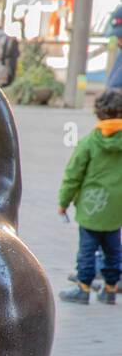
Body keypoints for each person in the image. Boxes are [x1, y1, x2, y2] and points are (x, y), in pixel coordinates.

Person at [57, 88, 122, 305]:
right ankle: (110, 289)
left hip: (90, 208)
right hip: (116, 210)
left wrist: (63, 202)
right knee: (113, 250)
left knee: (87, 250)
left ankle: (83, 288)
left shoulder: (89, 142)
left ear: (99, 114)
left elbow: (73, 175)